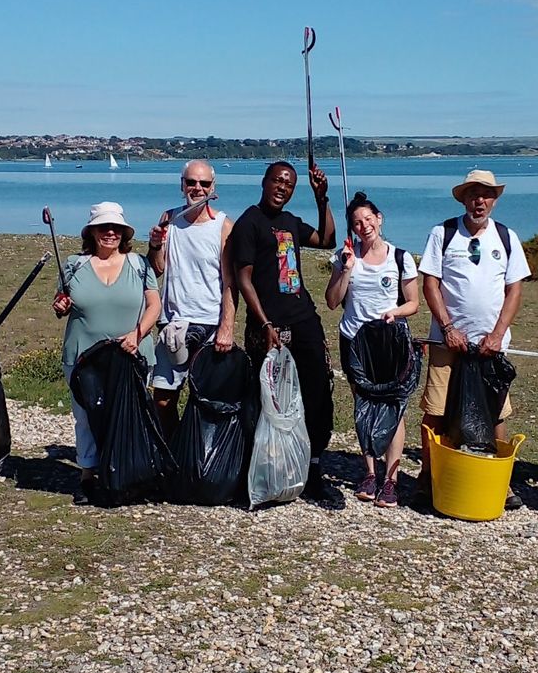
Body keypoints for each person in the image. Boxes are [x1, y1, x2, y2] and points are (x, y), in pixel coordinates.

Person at [416, 169, 530, 510]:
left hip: (491, 347)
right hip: (445, 343)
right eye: (473, 194)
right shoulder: (443, 233)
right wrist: (448, 328)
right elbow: (430, 284)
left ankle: (500, 482)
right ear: (463, 198)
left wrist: (497, 335)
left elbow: (514, 290)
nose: (479, 201)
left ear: (494, 200)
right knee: (435, 411)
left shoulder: (507, 237)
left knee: (496, 412)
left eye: (486, 195)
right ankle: (428, 477)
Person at [228, 160, 336, 500]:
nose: (282, 188)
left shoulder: (290, 222)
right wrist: (264, 323)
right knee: (268, 398)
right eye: (277, 181)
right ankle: (267, 467)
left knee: (316, 393)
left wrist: (322, 198)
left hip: (303, 319)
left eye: (288, 184)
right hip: (268, 325)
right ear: (264, 181)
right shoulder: (249, 222)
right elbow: (244, 278)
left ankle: (313, 466)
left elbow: (327, 240)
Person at [53, 202, 162, 504]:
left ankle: (126, 472)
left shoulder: (140, 265)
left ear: (124, 233)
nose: (110, 233)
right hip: (83, 357)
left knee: (128, 415)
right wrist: (60, 305)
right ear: (92, 232)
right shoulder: (74, 265)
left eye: (116, 228)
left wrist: (138, 334)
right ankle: (88, 474)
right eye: (103, 227)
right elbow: (61, 303)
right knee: (86, 417)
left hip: (131, 354)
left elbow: (154, 305)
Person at [325, 191, 419, 506]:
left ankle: (391, 480)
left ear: (379, 219)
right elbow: (332, 301)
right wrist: (346, 268)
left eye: (368, 219)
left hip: (389, 342)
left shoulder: (400, 258)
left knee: (394, 407)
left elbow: (414, 303)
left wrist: (395, 312)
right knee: (364, 406)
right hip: (355, 341)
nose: (364, 226)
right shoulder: (345, 256)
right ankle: (369, 473)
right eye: (357, 222)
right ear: (352, 228)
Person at [147, 160, 236, 440]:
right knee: (163, 399)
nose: (197, 188)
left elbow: (230, 283)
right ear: (182, 185)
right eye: (191, 182)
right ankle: (175, 451)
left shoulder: (223, 226)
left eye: (204, 183)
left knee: (207, 399)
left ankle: (201, 454)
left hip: (210, 324)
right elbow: (157, 268)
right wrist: (155, 244)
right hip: (174, 324)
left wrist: (227, 327)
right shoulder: (169, 218)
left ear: (213, 187)